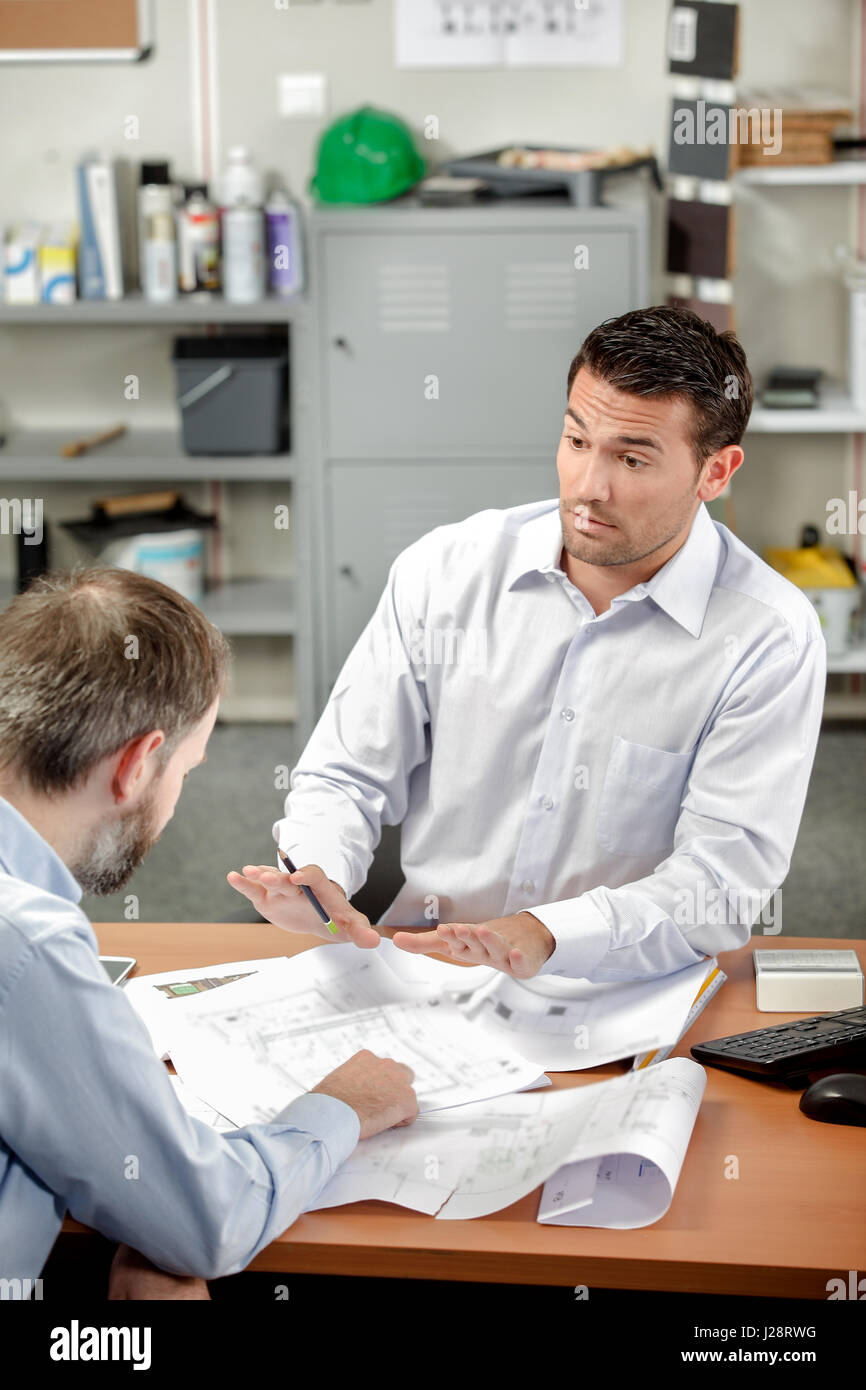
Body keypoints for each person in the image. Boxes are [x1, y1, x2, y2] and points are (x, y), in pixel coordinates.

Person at [230, 305, 826, 982]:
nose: (588, 489)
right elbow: (346, 774)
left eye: (632, 458)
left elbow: (720, 882)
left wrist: (547, 933)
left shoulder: (767, 636)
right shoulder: (448, 569)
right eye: (577, 442)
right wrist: (318, 870)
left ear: (715, 474)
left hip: (620, 991)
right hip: (428, 978)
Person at [0, 568, 417, 1299]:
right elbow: (208, 1221)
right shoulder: (26, 942)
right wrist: (343, 1108)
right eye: (185, 770)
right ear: (135, 766)